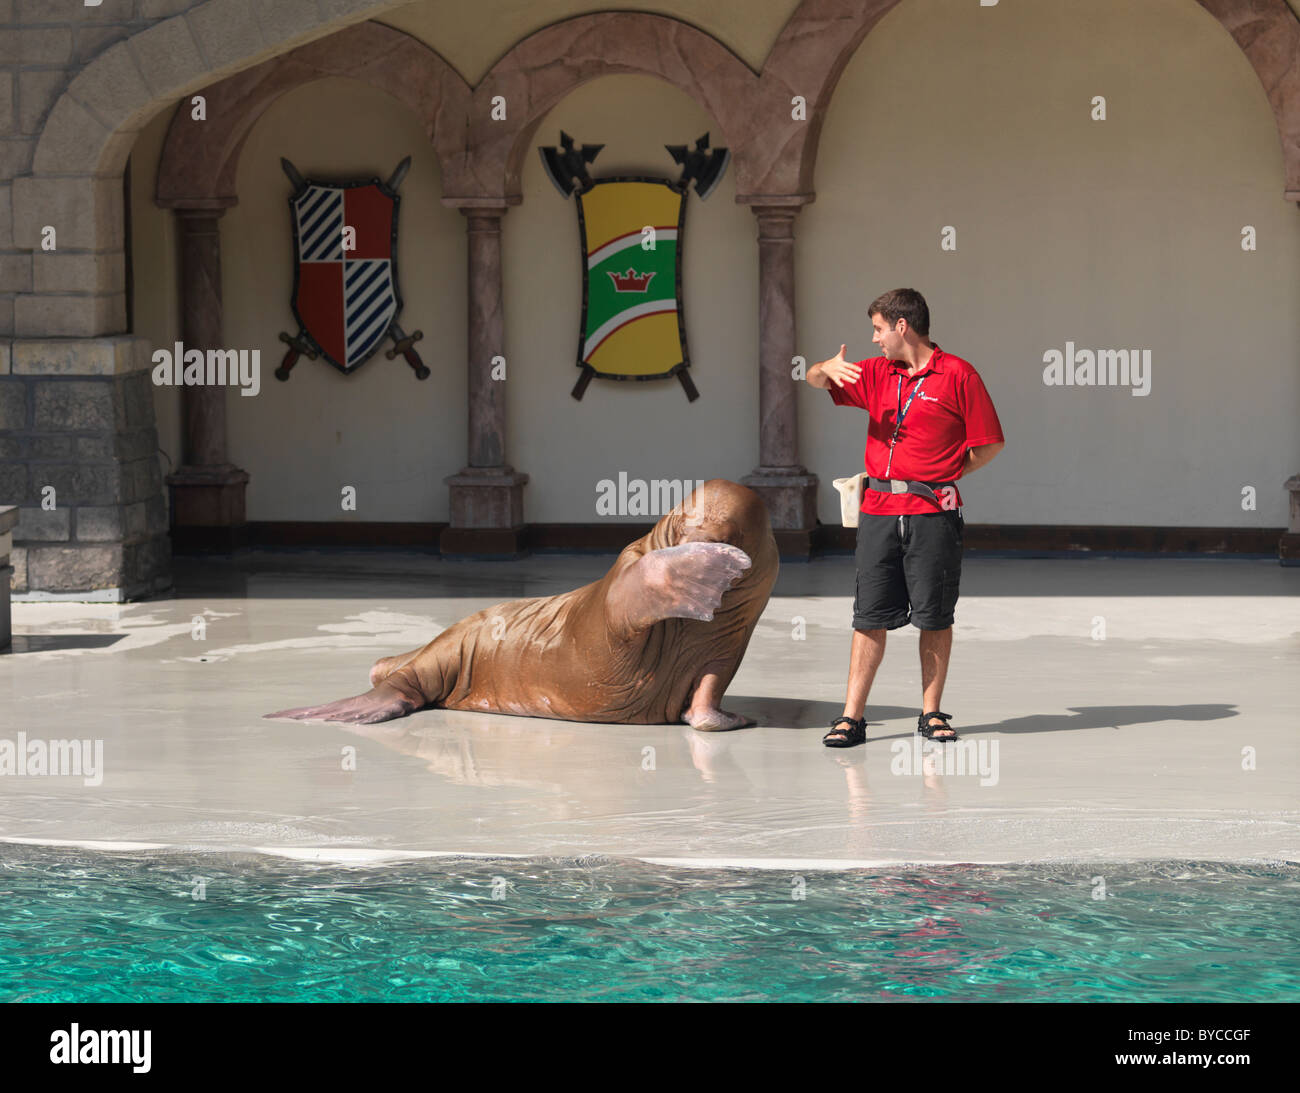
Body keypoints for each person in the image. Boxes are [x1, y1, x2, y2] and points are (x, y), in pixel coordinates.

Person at [806, 288, 1004, 747]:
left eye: (878, 329)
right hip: (877, 509)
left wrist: (949, 472)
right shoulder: (876, 372)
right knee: (868, 615)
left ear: (902, 326)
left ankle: (931, 713)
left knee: (934, 616)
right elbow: (816, 380)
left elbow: (990, 442)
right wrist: (822, 369)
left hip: (933, 512)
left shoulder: (958, 374)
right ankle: (851, 717)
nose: (873, 339)